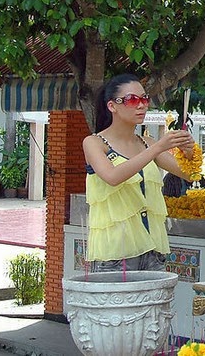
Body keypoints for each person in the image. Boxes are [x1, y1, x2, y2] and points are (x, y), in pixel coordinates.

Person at [82, 74, 195, 272]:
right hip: (116, 253)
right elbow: (112, 177)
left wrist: (190, 152)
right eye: (132, 100)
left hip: (152, 250)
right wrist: (157, 147)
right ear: (112, 106)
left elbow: (190, 175)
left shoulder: (147, 143)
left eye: (144, 99)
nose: (141, 105)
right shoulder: (94, 143)